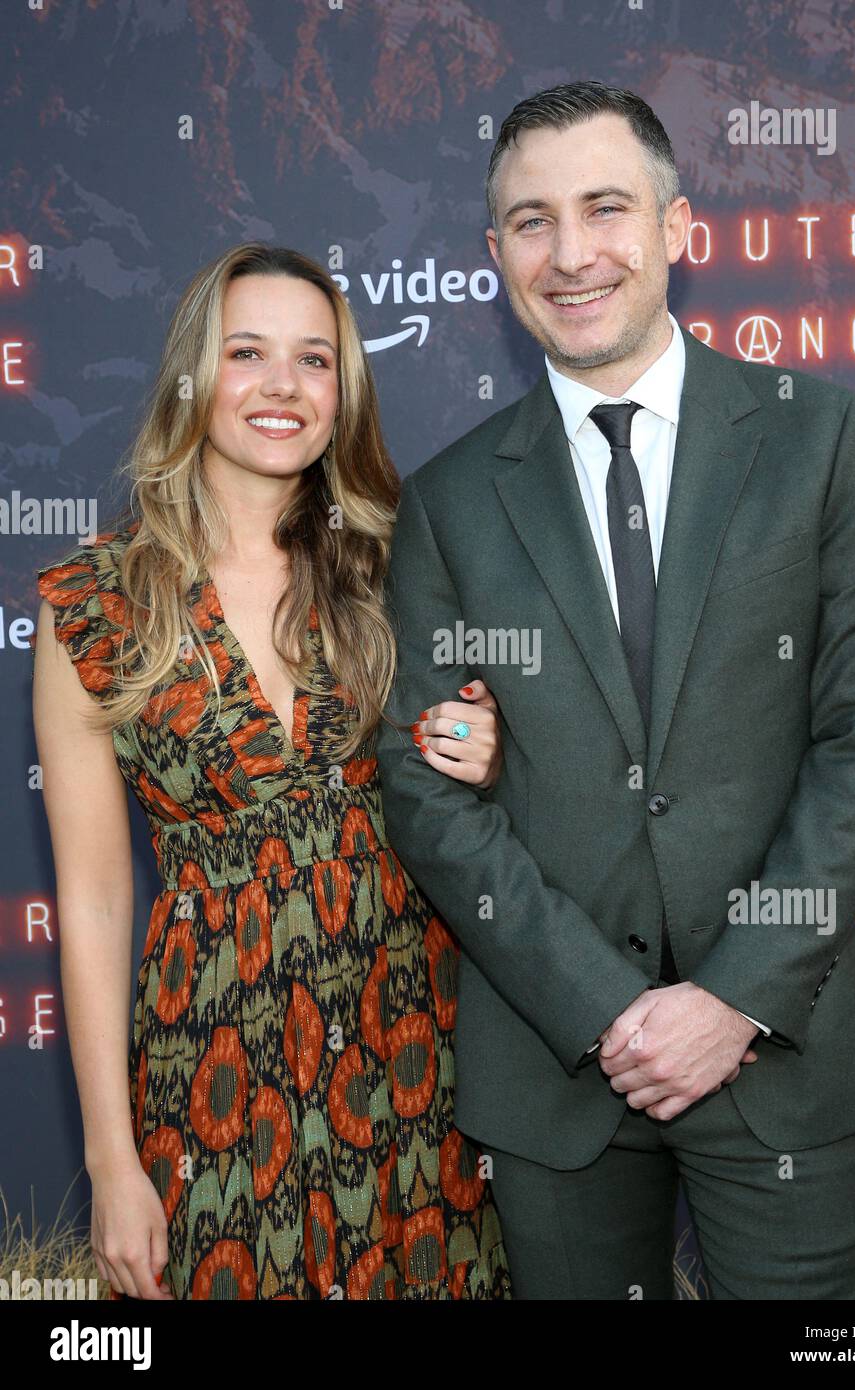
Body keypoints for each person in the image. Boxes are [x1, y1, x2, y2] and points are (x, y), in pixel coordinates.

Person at [375, 80, 855, 1299]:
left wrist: (731, 998)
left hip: (784, 1048)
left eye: (605, 208)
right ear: (492, 255)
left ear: (679, 228)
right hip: (555, 1071)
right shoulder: (453, 498)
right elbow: (426, 781)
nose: (571, 255)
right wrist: (611, 1008)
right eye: (531, 220)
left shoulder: (820, 436)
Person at [32, 243, 512, 1301]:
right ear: (194, 375)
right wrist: (112, 1162)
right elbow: (100, 898)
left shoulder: (405, 564)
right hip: (212, 1059)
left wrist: (485, 760)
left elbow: (502, 796)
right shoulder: (94, 606)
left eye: (316, 359)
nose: (283, 386)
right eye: (246, 352)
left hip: (418, 1048)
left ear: (346, 392)